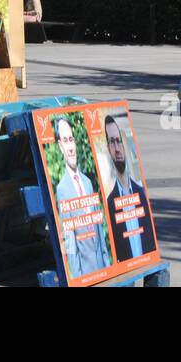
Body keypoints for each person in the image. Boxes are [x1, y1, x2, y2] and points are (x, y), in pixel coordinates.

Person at [51, 116, 109, 278]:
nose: (70, 147)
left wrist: (108, 264)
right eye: (65, 141)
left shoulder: (88, 182)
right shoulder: (63, 189)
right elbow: (70, 242)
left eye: (71, 139)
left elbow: (98, 227)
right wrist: (77, 278)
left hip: (102, 266)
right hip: (86, 273)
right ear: (60, 146)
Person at [103, 116, 155, 261]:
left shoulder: (141, 194)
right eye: (112, 142)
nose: (117, 149)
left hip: (146, 263)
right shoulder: (110, 204)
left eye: (118, 141)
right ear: (108, 149)